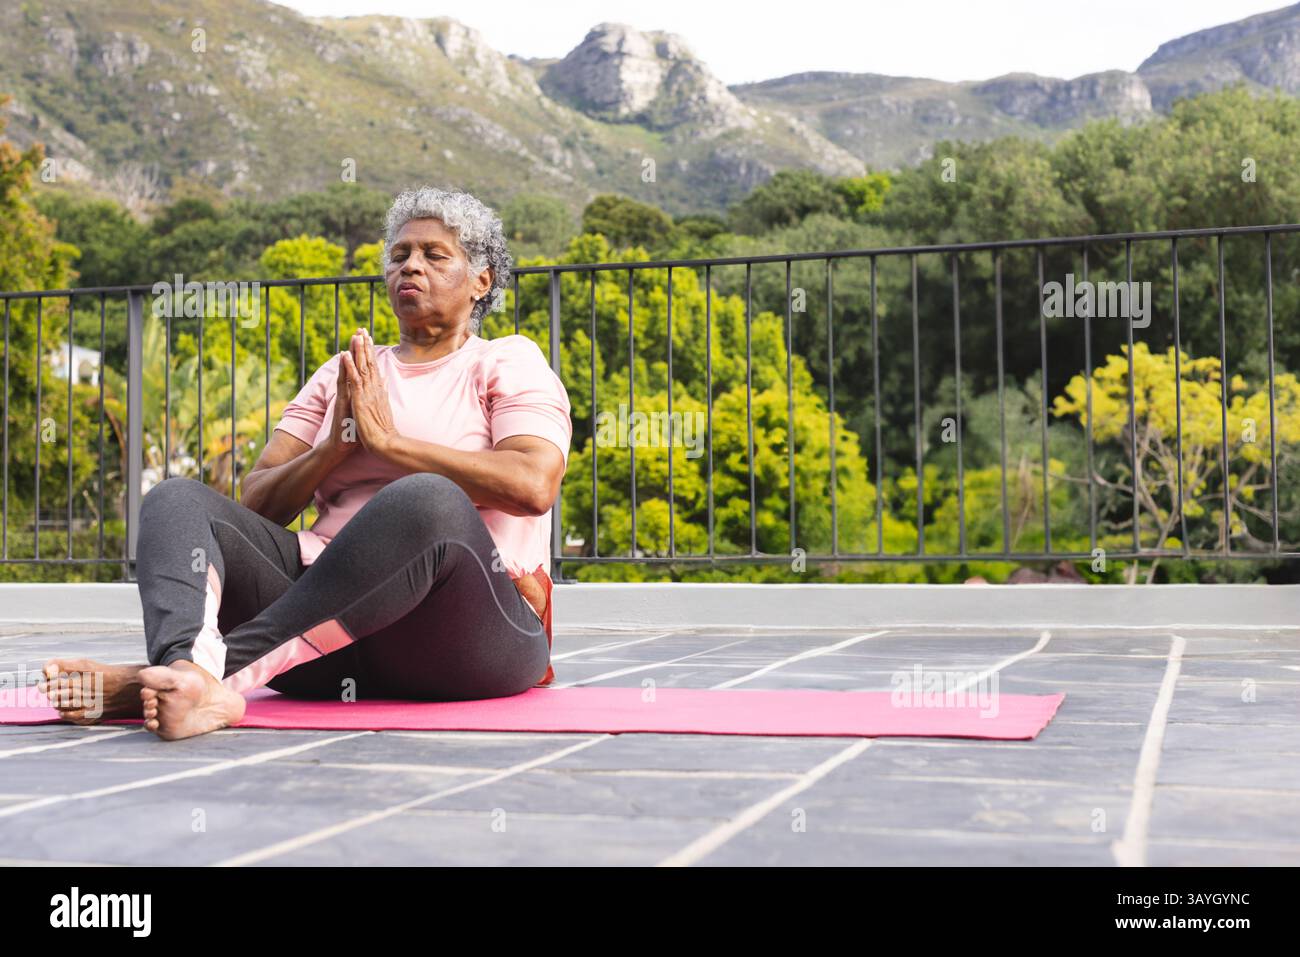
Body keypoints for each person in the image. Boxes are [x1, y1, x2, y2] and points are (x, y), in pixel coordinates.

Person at [39, 185, 572, 740]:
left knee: (426, 499)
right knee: (176, 499)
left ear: (481, 281)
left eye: (434, 255)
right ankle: (184, 672)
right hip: (325, 649)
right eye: (398, 255)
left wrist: (390, 446)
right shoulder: (342, 374)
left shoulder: (507, 360)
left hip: (461, 639)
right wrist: (333, 449)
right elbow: (256, 505)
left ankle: (193, 677)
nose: (410, 265)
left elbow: (533, 485)